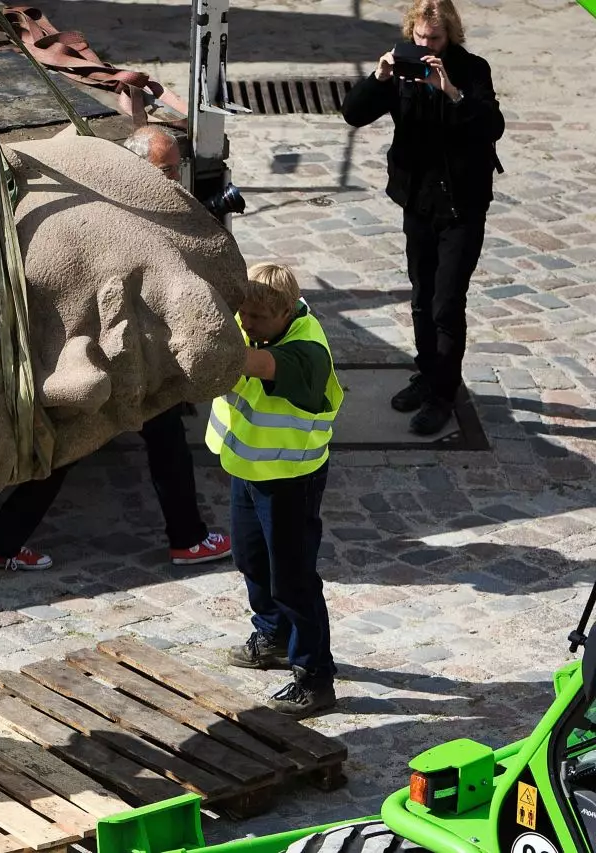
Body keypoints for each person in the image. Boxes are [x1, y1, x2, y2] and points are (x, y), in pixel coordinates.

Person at [0, 123, 231, 572]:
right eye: (165, 171)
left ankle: (2, 543)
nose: (174, 180)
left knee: (88, 446)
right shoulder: (126, 215)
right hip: (118, 353)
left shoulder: (128, 200)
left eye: (175, 169)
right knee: (110, 445)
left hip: (115, 351)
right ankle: (187, 538)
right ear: (136, 168)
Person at [341, 0, 503, 435]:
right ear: (411, 32)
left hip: (463, 204)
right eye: (420, 38)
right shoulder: (402, 69)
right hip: (419, 200)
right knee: (422, 295)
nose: (427, 45)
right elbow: (353, 113)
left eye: (435, 38)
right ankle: (428, 373)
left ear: (450, 34)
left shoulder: (471, 69)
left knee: (447, 303)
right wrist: (379, 79)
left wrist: (450, 90)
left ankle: (443, 395)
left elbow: (492, 126)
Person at [207, 263, 342, 718]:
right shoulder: (253, 325)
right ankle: (274, 637)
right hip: (250, 471)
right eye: (242, 314)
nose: (246, 324)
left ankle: (314, 679)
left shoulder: (306, 350)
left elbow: (258, 365)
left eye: (257, 319)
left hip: (290, 481)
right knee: (250, 559)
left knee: (294, 580)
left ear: (286, 311)